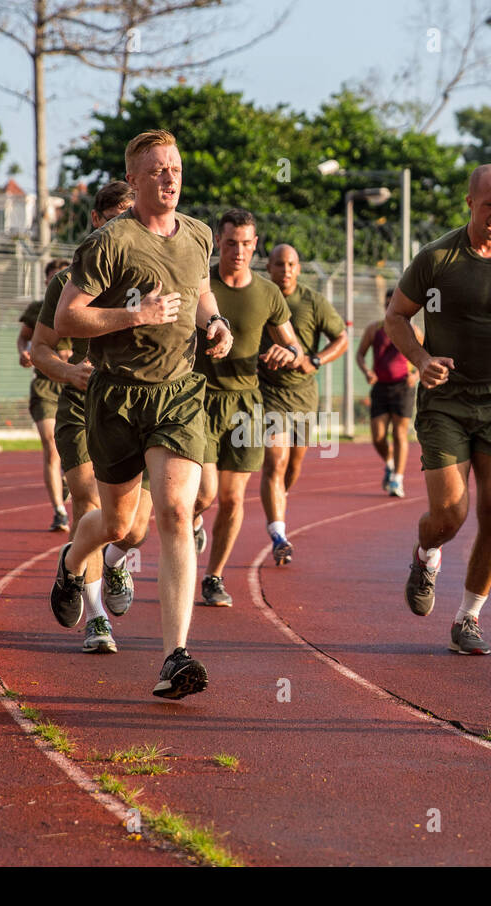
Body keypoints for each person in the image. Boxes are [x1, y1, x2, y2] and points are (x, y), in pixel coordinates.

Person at [49, 130, 233, 699]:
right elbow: (67, 320)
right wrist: (136, 315)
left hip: (178, 394)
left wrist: (214, 323)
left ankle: (174, 657)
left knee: (176, 511)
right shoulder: (111, 242)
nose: (169, 178)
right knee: (121, 526)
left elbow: (201, 288)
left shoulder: (199, 235)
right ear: (134, 181)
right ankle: (73, 559)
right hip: (116, 398)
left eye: (175, 168)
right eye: (156, 170)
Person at [384, 164, 491, 655]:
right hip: (445, 401)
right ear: (469, 202)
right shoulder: (436, 258)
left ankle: (469, 616)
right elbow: (396, 316)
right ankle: (427, 553)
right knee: (451, 513)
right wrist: (423, 359)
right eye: (489, 203)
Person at [31, 181, 147, 653]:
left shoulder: (150, 276)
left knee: (133, 529)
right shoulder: (66, 282)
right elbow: (39, 349)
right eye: (117, 216)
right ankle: (97, 619)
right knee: (87, 501)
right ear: (98, 221)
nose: (126, 224)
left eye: (132, 216)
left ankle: (114, 562)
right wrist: (65, 370)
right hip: (81, 407)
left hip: (139, 409)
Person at [192, 209, 300, 602]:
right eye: (231, 242)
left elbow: (293, 343)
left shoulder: (269, 293)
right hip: (199, 398)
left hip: (246, 404)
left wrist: (289, 353)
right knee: (204, 493)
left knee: (233, 498)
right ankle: (193, 522)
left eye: (246, 243)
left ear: (256, 246)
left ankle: (213, 577)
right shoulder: (201, 284)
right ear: (219, 243)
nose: (238, 251)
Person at [257, 243, 347, 563]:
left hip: (305, 395)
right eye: (279, 264)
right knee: (275, 462)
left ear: (298, 267)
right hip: (268, 392)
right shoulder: (260, 295)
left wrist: (316, 360)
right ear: (268, 267)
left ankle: (281, 500)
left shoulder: (313, 302)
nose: (285, 271)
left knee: (293, 465)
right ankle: (278, 534)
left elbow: (342, 339)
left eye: (291, 264)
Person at [17, 258, 72, 531]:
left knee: (72, 447)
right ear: (46, 281)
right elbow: (24, 338)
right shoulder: (37, 310)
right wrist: (24, 353)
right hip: (45, 386)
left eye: (63, 276)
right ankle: (60, 511)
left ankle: (67, 479)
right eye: (53, 278)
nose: (57, 282)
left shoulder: (81, 303)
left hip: (74, 384)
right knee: (51, 445)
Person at [356, 289, 420, 497]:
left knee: (400, 433)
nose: (390, 306)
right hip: (381, 387)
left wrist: (416, 374)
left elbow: (428, 354)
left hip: (403, 386)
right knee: (378, 437)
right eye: (388, 303)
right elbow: (360, 354)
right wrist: (367, 372)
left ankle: (397, 480)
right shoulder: (374, 329)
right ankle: (390, 462)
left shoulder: (414, 330)